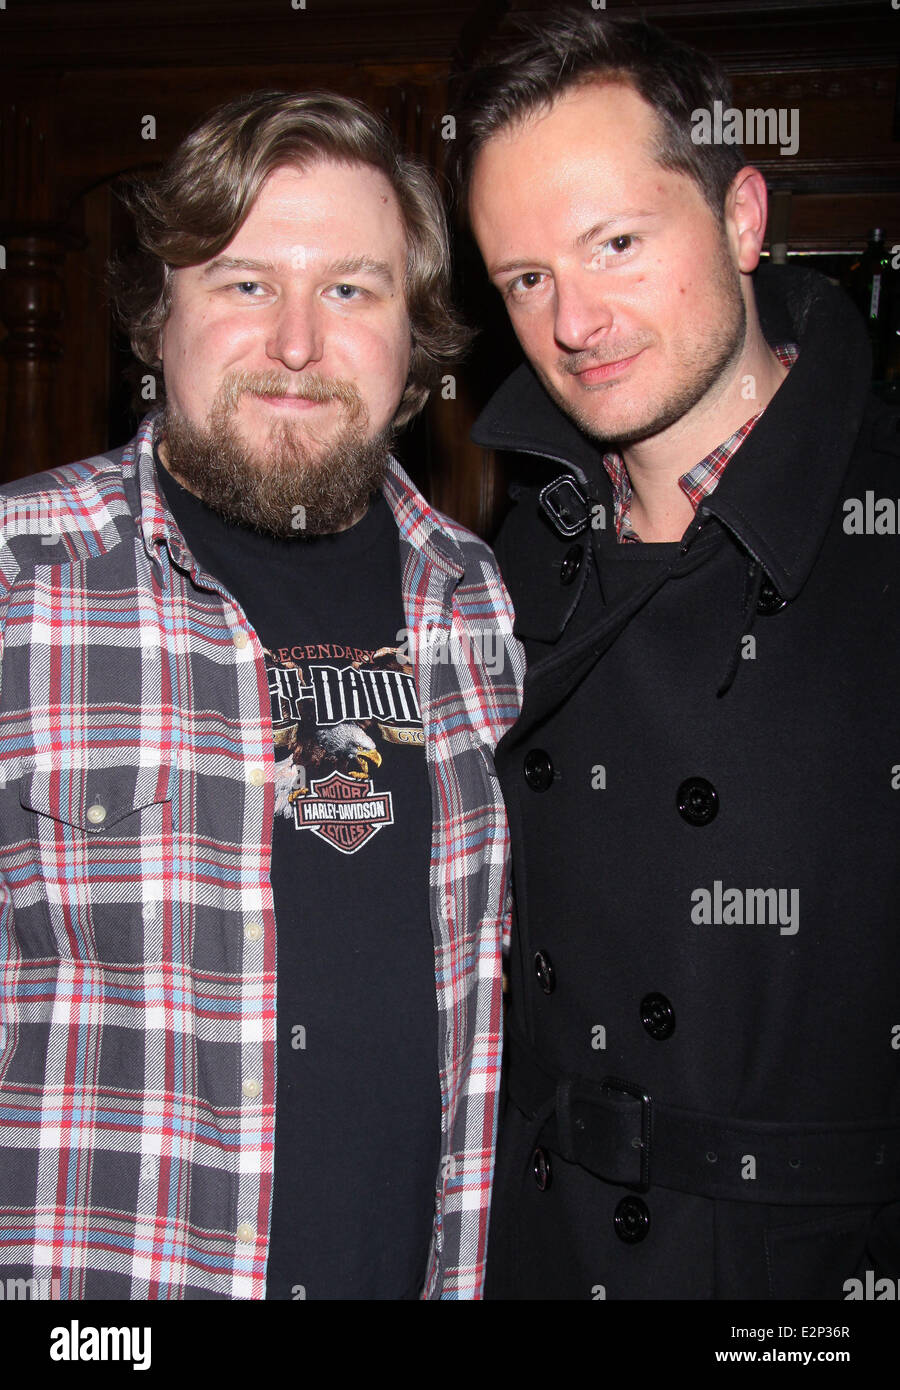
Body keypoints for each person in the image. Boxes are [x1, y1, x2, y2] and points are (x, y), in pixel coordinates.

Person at [0, 90, 524, 1300]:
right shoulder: (22, 582)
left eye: (351, 289)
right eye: (243, 282)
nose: (297, 341)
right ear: (154, 317)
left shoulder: (486, 607)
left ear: (416, 342)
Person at [451, 9, 900, 1299]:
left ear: (743, 218)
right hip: (535, 1250)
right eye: (526, 277)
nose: (574, 320)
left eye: (617, 245)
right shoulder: (513, 552)